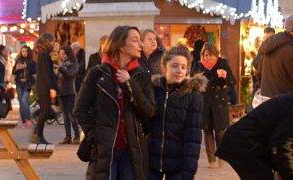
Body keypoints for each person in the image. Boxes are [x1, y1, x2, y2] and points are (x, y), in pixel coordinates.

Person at [75, 26, 156, 180]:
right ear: (120, 45)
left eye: (140, 40)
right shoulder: (97, 73)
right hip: (105, 149)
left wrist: (130, 84)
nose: (140, 44)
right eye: (135, 40)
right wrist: (96, 134)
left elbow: (149, 111)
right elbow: (80, 110)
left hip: (132, 150)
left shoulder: (142, 75)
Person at [146, 50, 205, 180]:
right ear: (164, 67)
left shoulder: (193, 96)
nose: (179, 71)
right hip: (152, 161)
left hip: (178, 166)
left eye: (183, 67)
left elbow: (193, 137)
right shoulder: (153, 90)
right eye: (174, 66)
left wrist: (189, 172)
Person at [256, 13, 293, 106]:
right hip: (284, 102)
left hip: (268, 100)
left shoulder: (273, 45)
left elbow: (258, 71)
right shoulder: (292, 50)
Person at [193, 42, 234, 168]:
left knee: (221, 131)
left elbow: (232, 80)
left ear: (216, 54)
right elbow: (194, 81)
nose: (207, 57)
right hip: (205, 102)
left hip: (219, 102)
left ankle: (222, 157)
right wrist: (212, 76)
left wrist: (225, 78)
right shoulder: (198, 65)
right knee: (208, 130)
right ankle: (211, 160)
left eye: (210, 55)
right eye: (205, 55)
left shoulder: (222, 63)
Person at [32, 34, 60, 144]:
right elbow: (46, 74)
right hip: (45, 87)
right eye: (53, 41)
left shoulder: (43, 54)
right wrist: (52, 88)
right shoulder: (44, 55)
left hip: (43, 86)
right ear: (47, 42)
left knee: (45, 111)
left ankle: (37, 133)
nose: (54, 43)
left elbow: (47, 72)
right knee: (45, 111)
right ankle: (38, 135)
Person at [57, 41, 83, 144]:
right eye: (60, 54)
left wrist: (60, 69)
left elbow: (69, 75)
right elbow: (58, 78)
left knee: (71, 115)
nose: (62, 56)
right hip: (61, 92)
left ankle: (77, 136)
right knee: (65, 116)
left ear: (68, 54)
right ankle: (67, 137)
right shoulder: (61, 64)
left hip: (70, 92)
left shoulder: (73, 64)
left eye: (64, 54)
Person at [13, 45, 36, 126]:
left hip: (27, 84)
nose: (24, 53)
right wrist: (16, 68)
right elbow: (13, 72)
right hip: (19, 83)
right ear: (21, 52)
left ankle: (28, 119)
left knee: (24, 100)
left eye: (26, 51)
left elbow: (34, 71)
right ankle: (23, 121)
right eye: (23, 51)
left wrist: (27, 66)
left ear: (28, 52)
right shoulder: (18, 60)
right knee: (21, 102)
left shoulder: (31, 61)